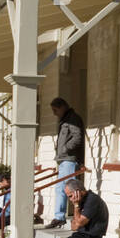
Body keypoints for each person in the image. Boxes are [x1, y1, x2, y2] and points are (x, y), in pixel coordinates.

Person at [45, 97, 85, 229]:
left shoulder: (73, 119)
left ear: (62, 107)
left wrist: (65, 148)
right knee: (60, 188)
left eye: (55, 110)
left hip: (69, 159)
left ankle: (74, 217)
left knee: (71, 189)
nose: (54, 113)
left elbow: (77, 137)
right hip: (64, 159)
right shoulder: (65, 120)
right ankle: (60, 217)